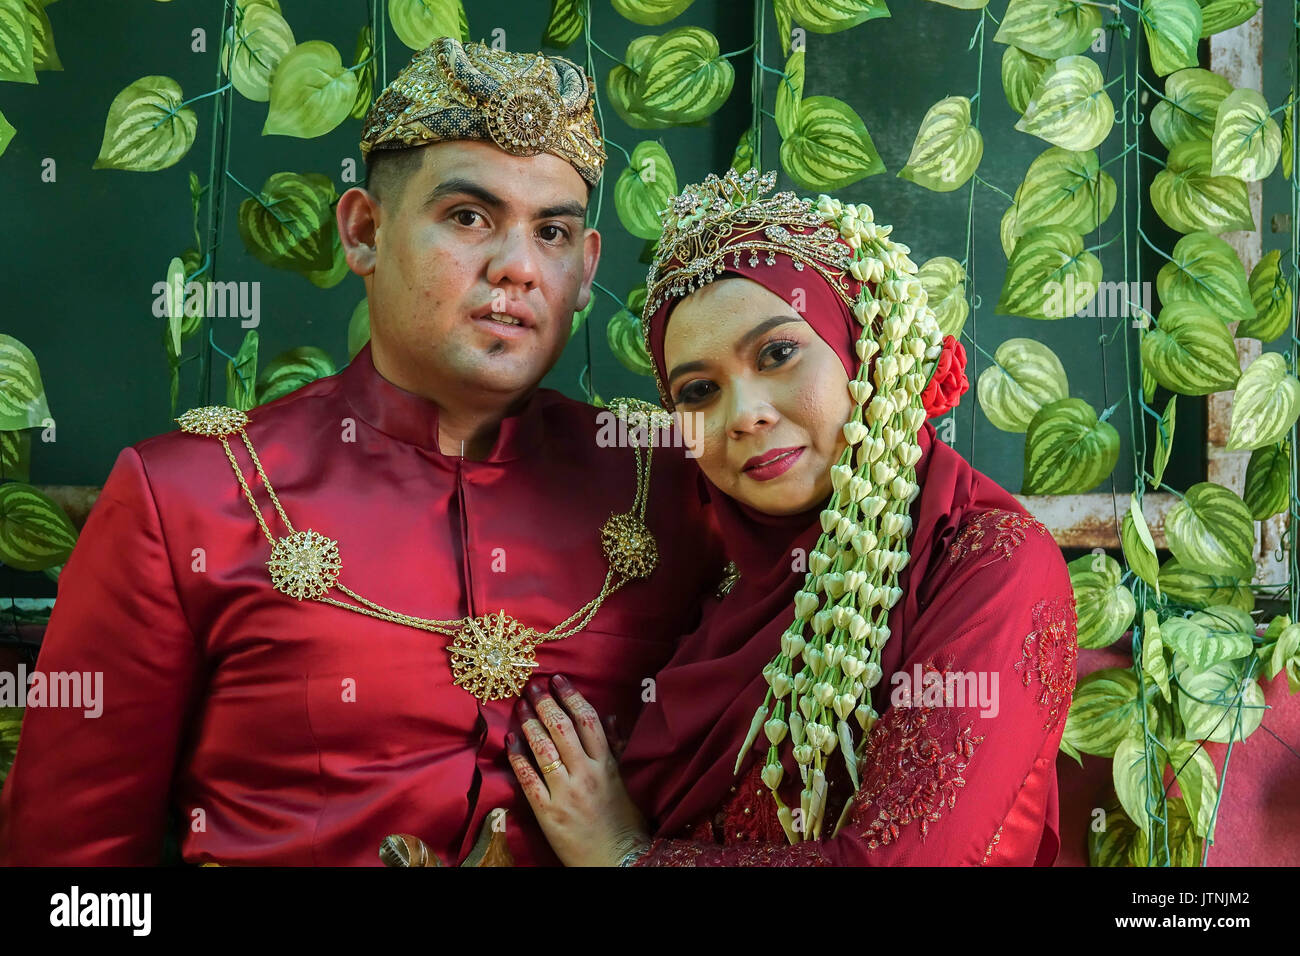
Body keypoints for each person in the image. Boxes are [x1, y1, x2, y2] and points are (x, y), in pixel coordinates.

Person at [0, 38, 723, 866]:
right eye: (468, 217)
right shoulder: (189, 498)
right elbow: (67, 876)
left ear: (587, 270)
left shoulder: (668, 483)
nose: (518, 267)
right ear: (364, 231)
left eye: (552, 232)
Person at [507, 168, 1079, 866]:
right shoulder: (716, 583)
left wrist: (626, 856)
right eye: (699, 391)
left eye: (778, 353)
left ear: (862, 350)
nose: (743, 414)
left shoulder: (988, 562)